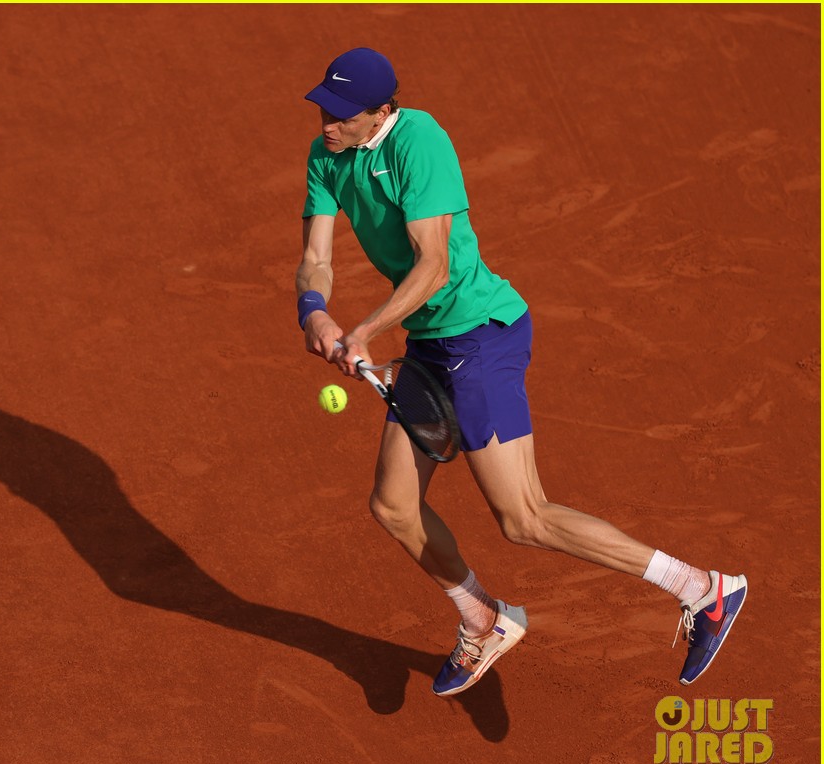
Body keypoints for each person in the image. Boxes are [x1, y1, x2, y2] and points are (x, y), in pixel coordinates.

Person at [294, 47, 747, 697]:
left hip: (480, 337)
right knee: (394, 505)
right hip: (429, 344)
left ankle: (703, 590)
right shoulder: (325, 157)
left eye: (341, 115)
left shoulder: (421, 142)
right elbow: (315, 257)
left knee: (524, 517)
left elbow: (434, 267)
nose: (326, 124)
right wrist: (314, 311)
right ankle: (484, 617)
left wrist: (362, 330)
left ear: (382, 113)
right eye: (322, 110)